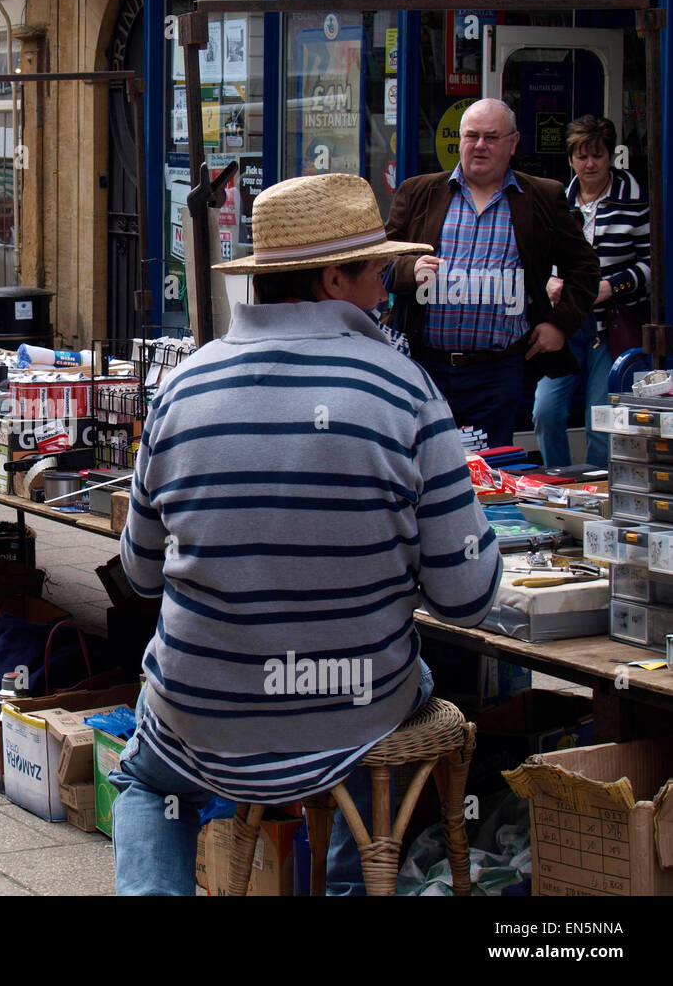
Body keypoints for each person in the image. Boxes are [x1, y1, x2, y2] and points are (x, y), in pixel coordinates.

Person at [112, 173, 502, 896]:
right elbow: (467, 597)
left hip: (202, 707)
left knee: (143, 781)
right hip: (355, 701)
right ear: (333, 278)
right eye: (377, 275)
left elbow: (138, 573)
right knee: (398, 690)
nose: (385, 295)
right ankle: (351, 884)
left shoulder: (182, 388)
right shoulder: (407, 391)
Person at [385, 97, 600, 449]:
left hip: (497, 371)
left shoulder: (542, 198)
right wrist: (409, 270)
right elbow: (377, 263)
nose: (479, 146)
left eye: (491, 137)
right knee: (422, 466)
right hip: (424, 367)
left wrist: (560, 324)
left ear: (513, 143)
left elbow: (585, 267)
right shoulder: (420, 192)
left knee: (490, 475)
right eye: (471, 136)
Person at [533, 115, 651, 468]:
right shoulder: (555, 199)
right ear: (570, 159)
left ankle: (599, 496)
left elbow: (652, 264)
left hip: (611, 326)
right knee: (545, 411)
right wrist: (546, 281)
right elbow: (534, 258)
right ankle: (558, 483)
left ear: (610, 156)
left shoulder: (635, 200)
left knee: (601, 422)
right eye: (581, 157)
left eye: (597, 155)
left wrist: (611, 286)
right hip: (565, 324)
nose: (589, 164)